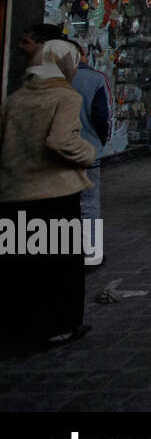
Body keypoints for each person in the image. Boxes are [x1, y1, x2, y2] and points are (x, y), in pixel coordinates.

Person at [0, 39, 97, 346]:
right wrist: (89, 153)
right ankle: (59, 326)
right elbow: (60, 142)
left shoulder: (15, 99)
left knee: (21, 266)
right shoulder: (65, 96)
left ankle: (18, 326)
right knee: (59, 266)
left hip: (14, 192)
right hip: (54, 193)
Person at [69, 41, 111, 244]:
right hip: (89, 150)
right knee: (89, 202)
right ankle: (91, 252)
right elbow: (103, 117)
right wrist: (99, 142)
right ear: (83, 55)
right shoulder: (96, 78)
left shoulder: (55, 80)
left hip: (59, 153)